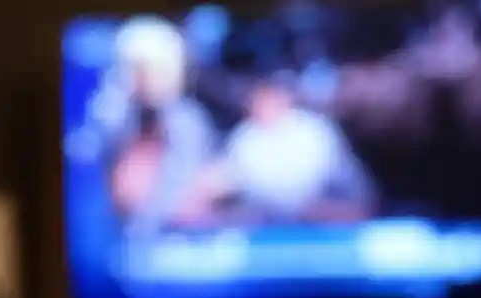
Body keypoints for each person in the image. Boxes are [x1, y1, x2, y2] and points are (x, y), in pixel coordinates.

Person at [85, 16, 217, 237]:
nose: (147, 77)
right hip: (113, 233)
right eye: (138, 69)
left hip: (170, 235)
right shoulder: (110, 115)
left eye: (157, 68)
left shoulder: (189, 121)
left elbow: (181, 186)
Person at [215, 71, 377, 222]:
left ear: (283, 98)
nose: (262, 105)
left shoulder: (314, 129)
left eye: (268, 98)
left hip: (325, 213)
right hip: (264, 220)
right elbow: (233, 181)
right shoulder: (244, 136)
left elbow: (338, 186)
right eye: (257, 99)